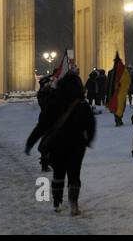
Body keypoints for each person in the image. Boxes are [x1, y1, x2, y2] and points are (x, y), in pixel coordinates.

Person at [25, 70, 95, 216]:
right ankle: (73, 204)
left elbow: (42, 125)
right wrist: (89, 139)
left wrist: (31, 142)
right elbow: (91, 124)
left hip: (57, 144)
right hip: (77, 144)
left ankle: (57, 203)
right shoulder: (82, 104)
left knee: (58, 173)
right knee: (74, 174)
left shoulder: (53, 102)